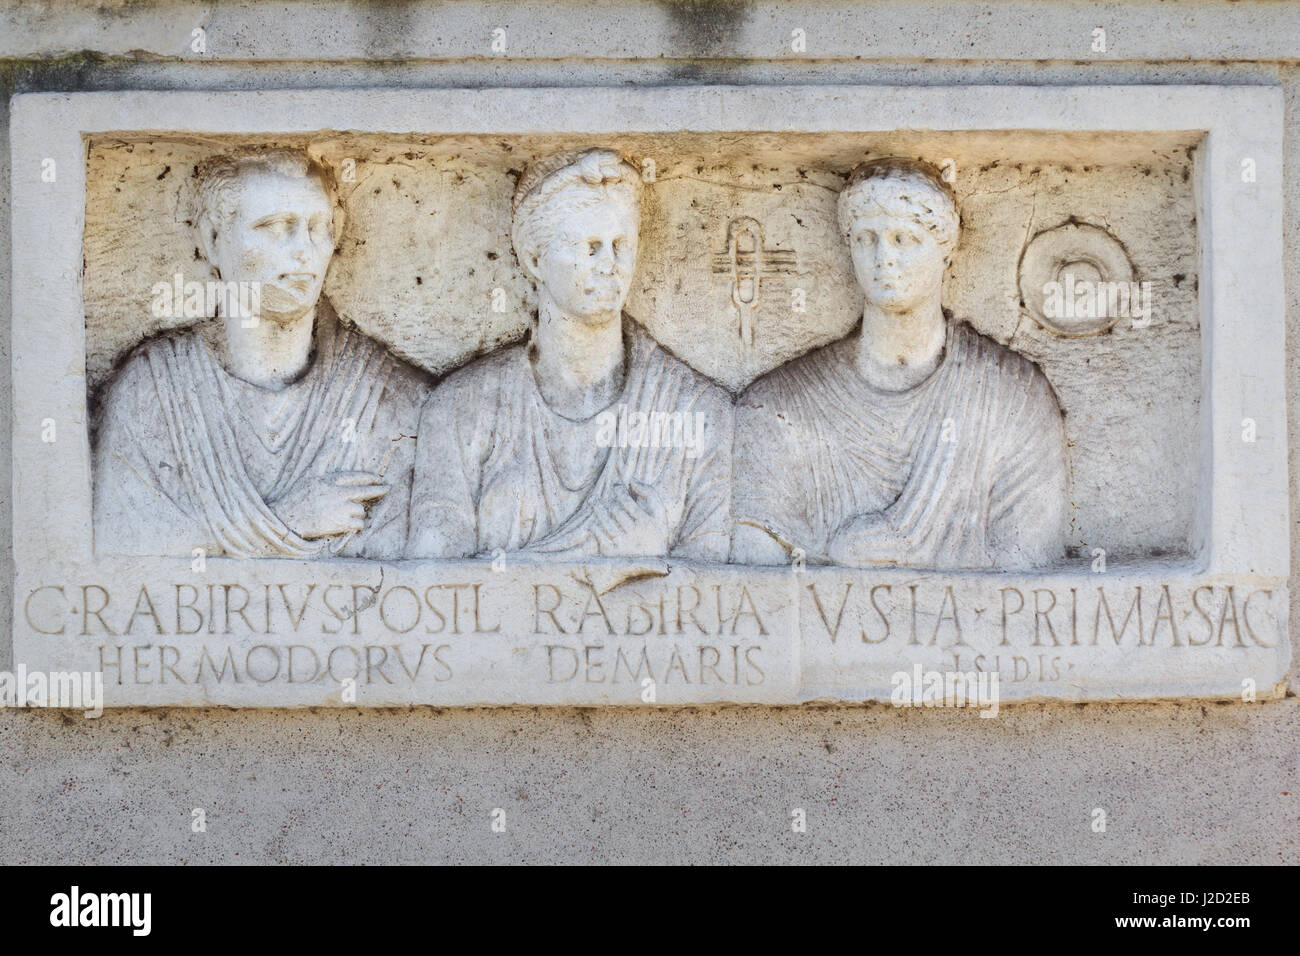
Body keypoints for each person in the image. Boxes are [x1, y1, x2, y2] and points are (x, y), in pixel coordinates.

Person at [732, 157, 1068, 569]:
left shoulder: (1013, 398)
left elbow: (1032, 567)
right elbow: (750, 578)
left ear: (945, 250)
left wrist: (918, 557)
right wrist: (830, 557)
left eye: (905, 239)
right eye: (865, 238)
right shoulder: (778, 406)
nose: (883, 258)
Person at [94, 148, 430, 558]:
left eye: (317, 227)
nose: (303, 250)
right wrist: (288, 522)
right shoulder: (154, 390)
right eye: (275, 227)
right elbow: (122, 546)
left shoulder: (392, 399)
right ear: (214, 241)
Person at [408, 148, 732, 560]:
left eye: (622, 244)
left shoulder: (697, 412)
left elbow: (725, 597)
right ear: (535, 259)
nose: (610, 265)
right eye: (590, 246)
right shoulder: (460, 410)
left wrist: (658, 561)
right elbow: (430, 583)